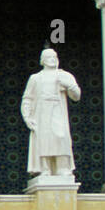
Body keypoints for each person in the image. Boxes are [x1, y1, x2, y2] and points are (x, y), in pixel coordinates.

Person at [21, 47, 81, 178]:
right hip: (41, 112)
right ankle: (45, 168)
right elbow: (27, 98)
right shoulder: (35, 78)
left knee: (61, 137)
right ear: (42, 61)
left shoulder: (64, 75)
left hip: (57, 109)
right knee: (43, 139)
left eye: (54, 56)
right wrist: (27, 117)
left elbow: (76, 96)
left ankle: (62, 167)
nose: (53, 59)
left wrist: (68, 85)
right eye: (49, 57)